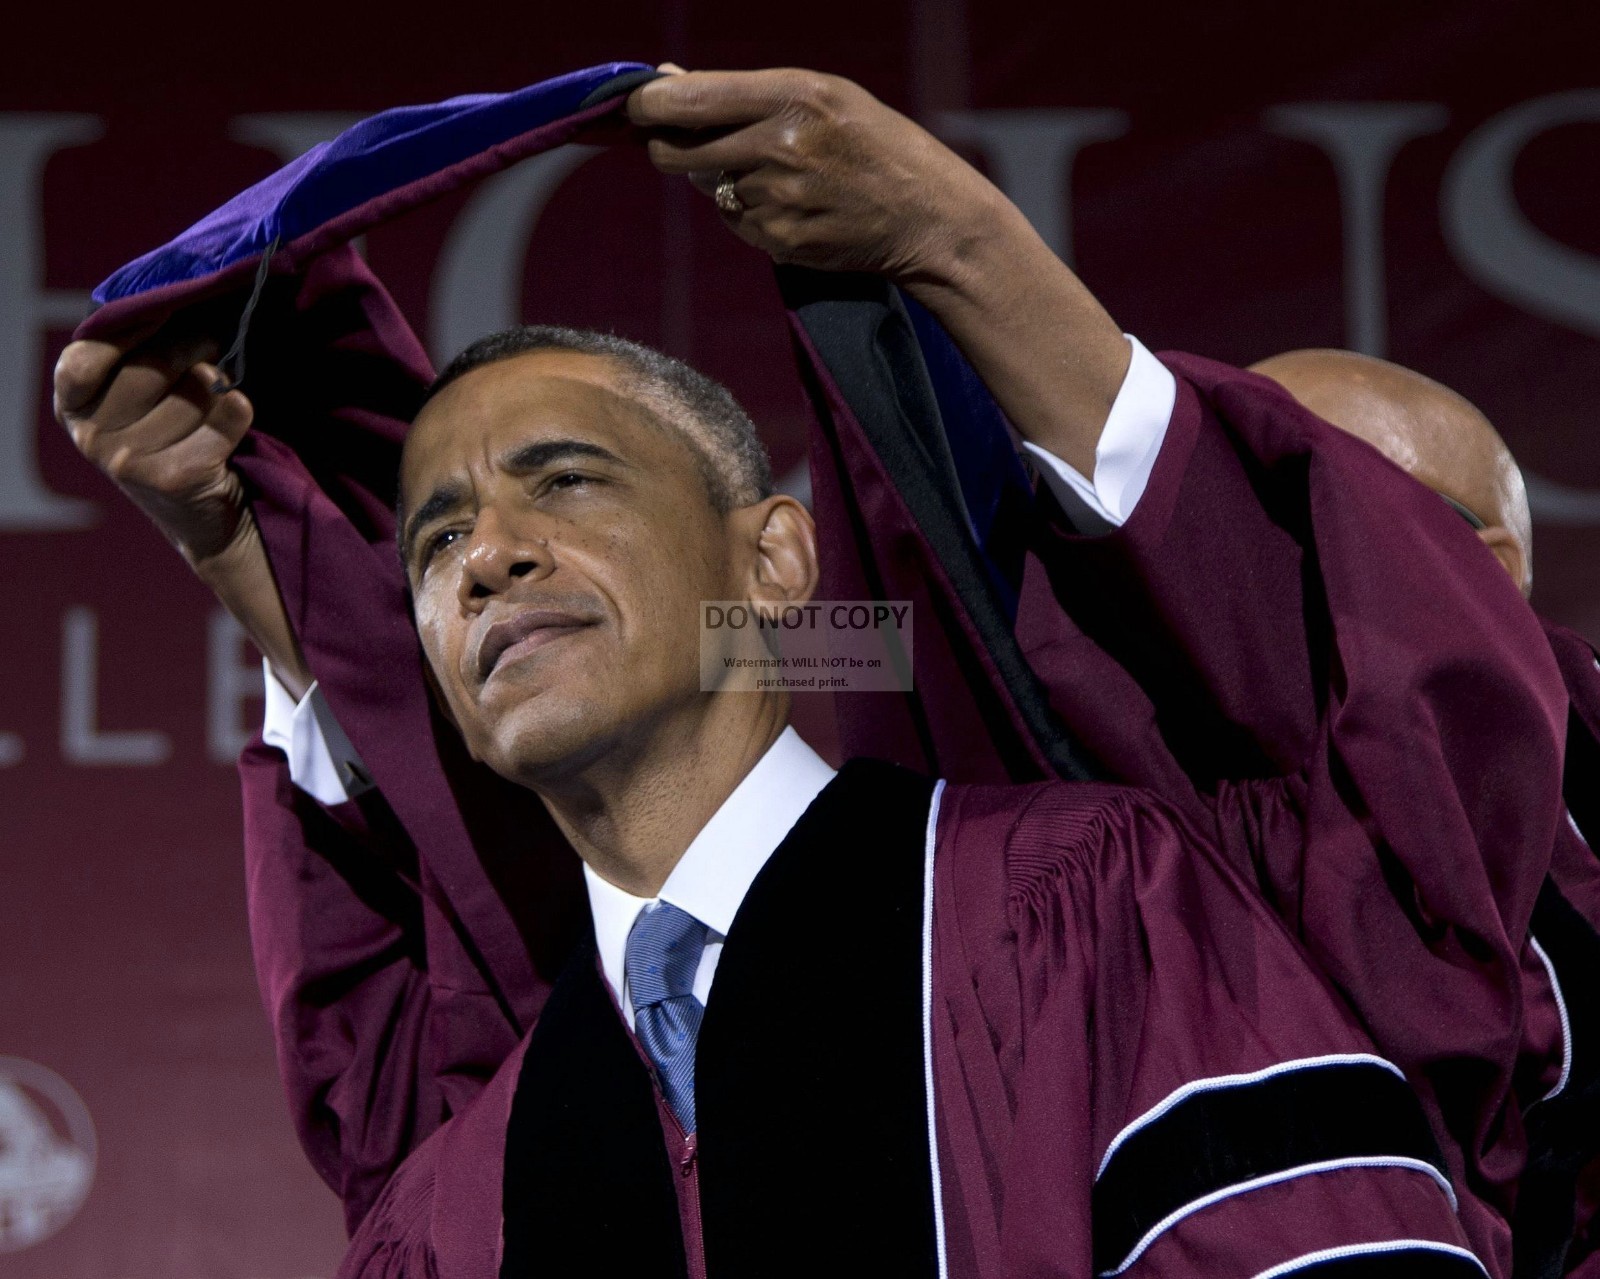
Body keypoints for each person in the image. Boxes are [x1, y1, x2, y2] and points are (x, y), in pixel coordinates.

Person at [56, 66, 1561, 1276]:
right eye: (437, 530)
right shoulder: (477, 1168)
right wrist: (254, 553)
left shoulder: (1100, 903)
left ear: (776, 561)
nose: (487, 554)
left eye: (566, 480)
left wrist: (963, 245)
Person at [1248, 348, 1600, 1278]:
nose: (1239, 571)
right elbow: (881, 646)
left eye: (1311, 506)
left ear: (1485, 569)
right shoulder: (1133, 837)